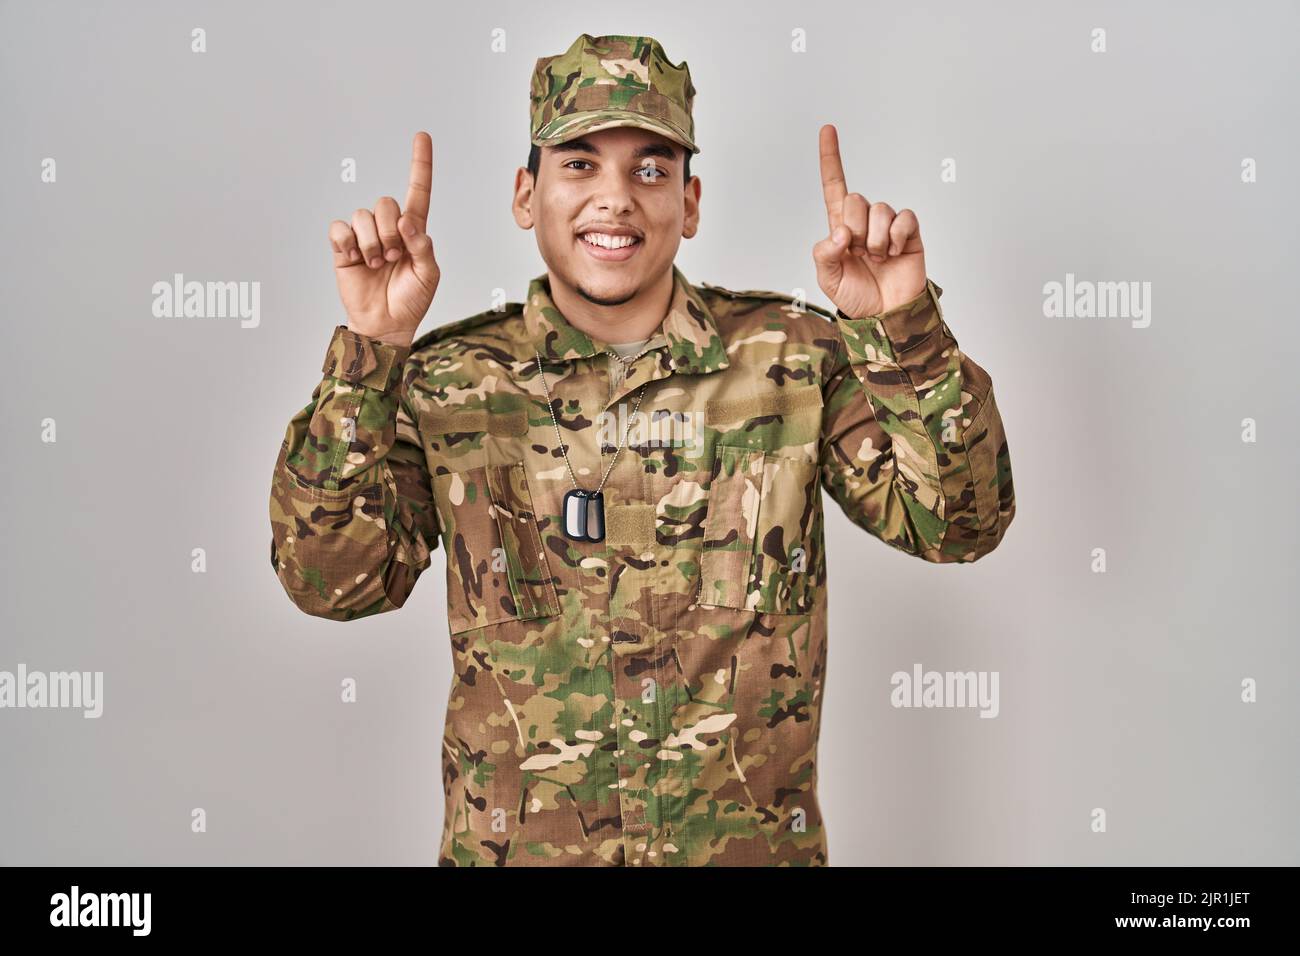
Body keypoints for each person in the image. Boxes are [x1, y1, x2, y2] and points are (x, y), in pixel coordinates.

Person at [268, 33, 1016, 866]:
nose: (616, 198)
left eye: (651, 169)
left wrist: (900, 328)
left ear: (691, 203)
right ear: (526, 194)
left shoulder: (791, 361)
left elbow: (960, 524)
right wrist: (370, 353)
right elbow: (329, 581)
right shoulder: (449, 383)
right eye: (580, 164)